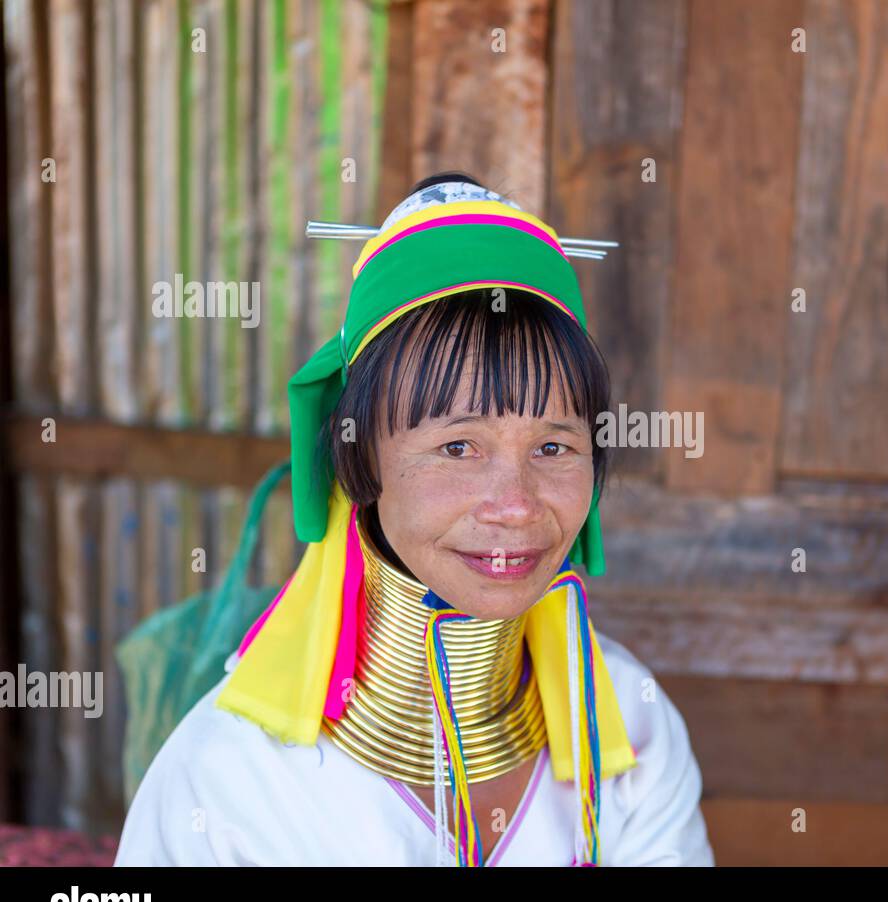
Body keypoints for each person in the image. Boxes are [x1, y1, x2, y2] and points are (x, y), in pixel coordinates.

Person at [114, 174, 714, 866]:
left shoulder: (633, 727)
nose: (516, 504)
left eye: (554, 447)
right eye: (457, 447)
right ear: (358, 458)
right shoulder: (230, 779)